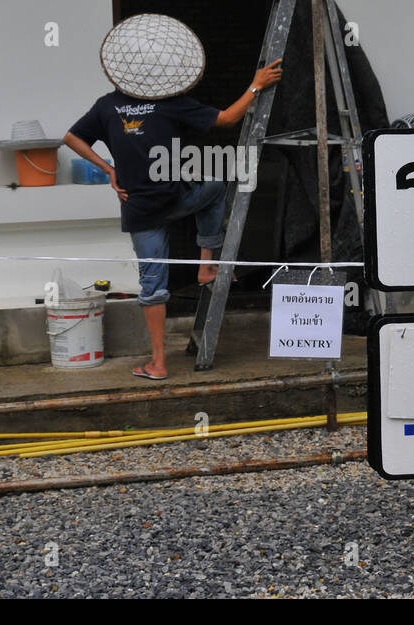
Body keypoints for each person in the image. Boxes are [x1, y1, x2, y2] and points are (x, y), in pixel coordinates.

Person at [65, 32, 282, 381]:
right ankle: (206, 266)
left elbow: (71, 138)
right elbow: (227, 119)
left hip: (140, 210)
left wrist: (109, 170)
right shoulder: (170, 102)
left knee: (153, 287)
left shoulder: (107, 105)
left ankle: (158, 364)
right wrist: (255, 86)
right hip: (175, 199)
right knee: (215, 186)